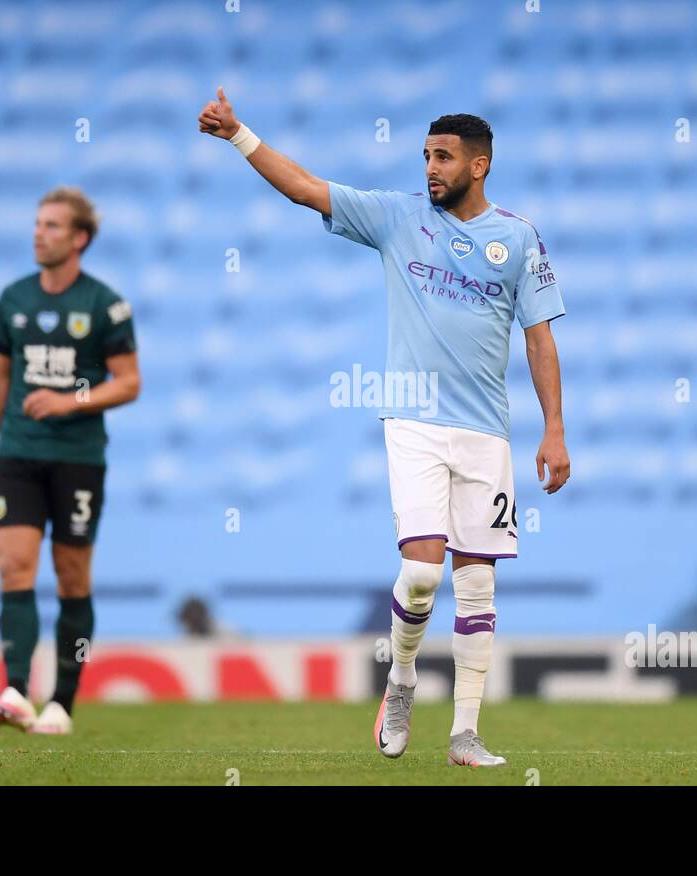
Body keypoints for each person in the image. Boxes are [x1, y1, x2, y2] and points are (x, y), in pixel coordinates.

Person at [198, 89, 569, 766]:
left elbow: (540, 340)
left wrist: (555, 431)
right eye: (426, 154)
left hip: (487, 431)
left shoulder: (516, 238)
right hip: (416, 421)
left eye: (444, 157)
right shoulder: (399, 219)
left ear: (479, 166)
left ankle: (464, 734)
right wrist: (237, 135)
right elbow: (306, 188)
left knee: (479, 581)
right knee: (422, 573)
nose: (430, 167)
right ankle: (400, 680)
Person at [0, 187, 140, 735]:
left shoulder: (104, 304)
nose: (39, 233)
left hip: (77, 458)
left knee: (71, 578)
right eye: (37, 223)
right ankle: (17, 690)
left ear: (79, 238)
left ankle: (62, 702)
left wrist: (70, 401)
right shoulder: (15, 299)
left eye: (52, 225)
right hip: (17, 454)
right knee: (13, 566)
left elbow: (129, 382)